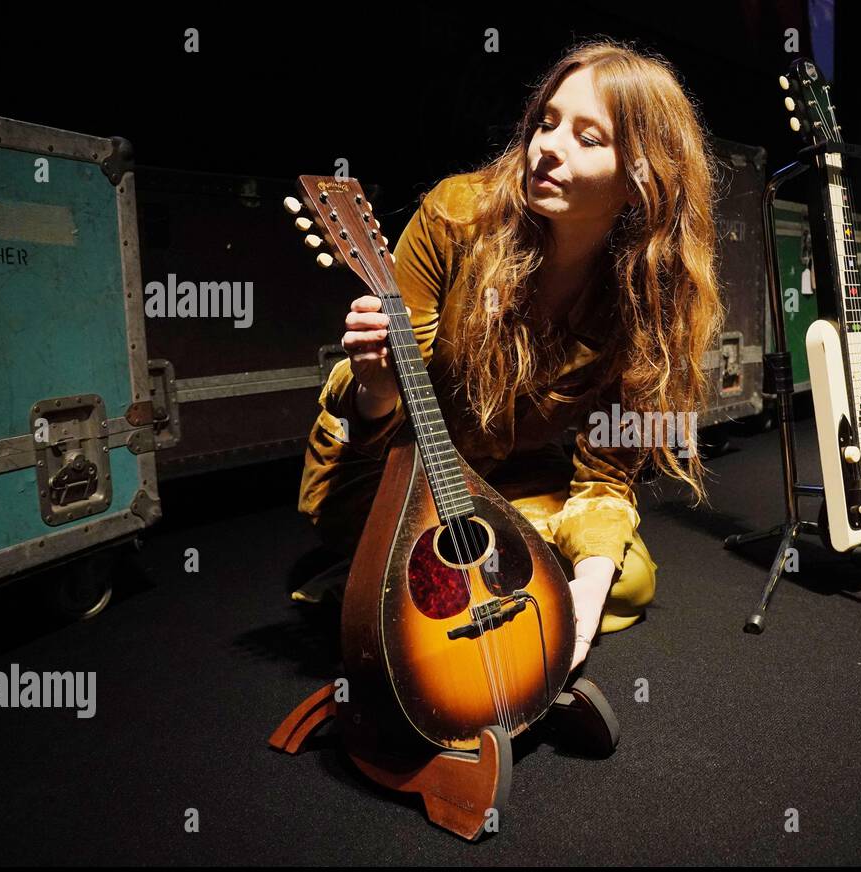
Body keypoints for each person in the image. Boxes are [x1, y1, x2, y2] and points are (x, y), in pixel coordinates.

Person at [298, 40, 724, 669]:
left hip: (515, 476)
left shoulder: (644, 293)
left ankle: (442, 593)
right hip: (398, 464)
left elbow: (607, 466)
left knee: (625, 580)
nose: (549, 146)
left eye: (588, 137)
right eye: (547, 123)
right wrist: (376, 387)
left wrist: (587, 585)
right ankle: (394, 582)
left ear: (640, 183)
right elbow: (395, 397)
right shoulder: (456, 217)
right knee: (385, 540)